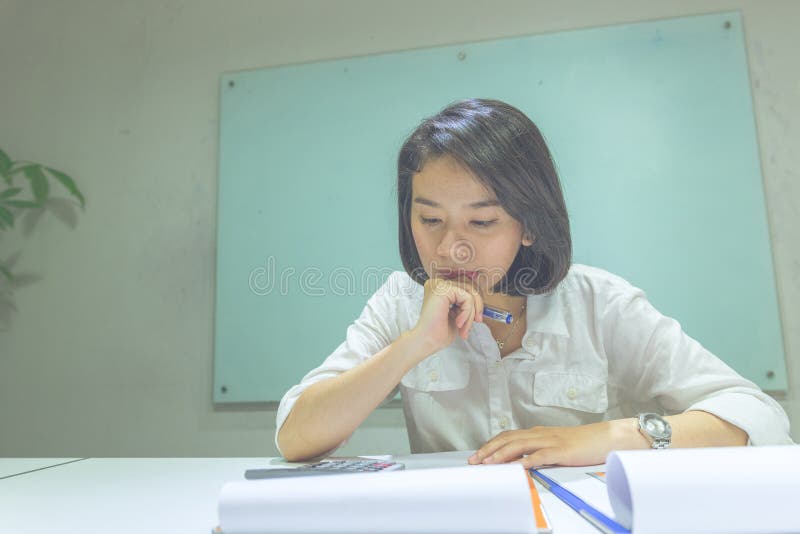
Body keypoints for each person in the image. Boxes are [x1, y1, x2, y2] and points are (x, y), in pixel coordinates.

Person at [276, 98, 792, 467]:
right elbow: (296, 437)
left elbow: (758, 417)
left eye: (481, 222)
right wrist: (413, 346)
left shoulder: (600, 304)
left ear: (529, 224)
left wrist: (603, 438)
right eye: (429, 219)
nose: (450, 248)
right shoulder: (399, 301)